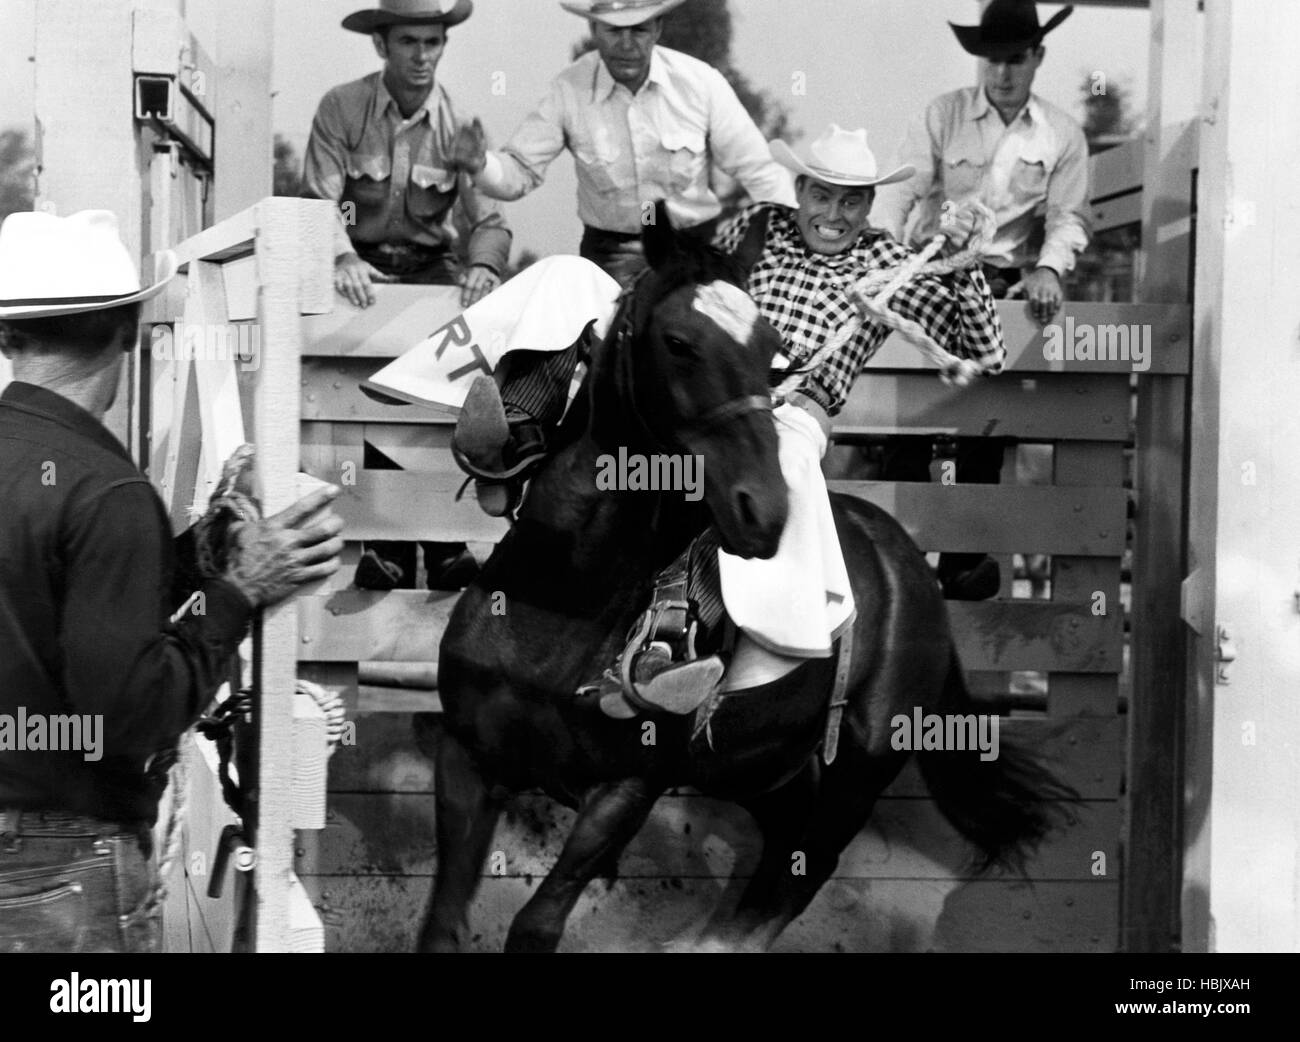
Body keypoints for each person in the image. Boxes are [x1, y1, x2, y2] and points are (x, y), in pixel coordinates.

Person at [0, 209, 346, 952]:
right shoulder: (105, 492)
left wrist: (192, 554)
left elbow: (44, 595)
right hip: (63, 868)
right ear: (128, 328)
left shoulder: (65, 481)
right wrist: (240, 591)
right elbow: (130, 714)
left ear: (6, 335)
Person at [446, 0, 795, 514]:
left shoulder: (699, 84)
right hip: (606, 255)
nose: (626, 44)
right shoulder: (570, 87)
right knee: (563, 303)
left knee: (737, 359)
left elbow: (760, 171)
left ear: (657, 26)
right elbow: (518, 172)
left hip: (687, 259)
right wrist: (480, 165)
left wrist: (780, 252)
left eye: (638, 29)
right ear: (593, 28)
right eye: (613, 31)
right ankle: (516, 447)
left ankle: (747, 469)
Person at [871, 0, 1090, 599]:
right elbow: (901, 190)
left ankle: (965, 566)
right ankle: (899, 562)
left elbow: (1067, 218)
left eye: (1015, 58)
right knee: (908, 423)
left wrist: (1048, 266)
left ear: (1037, 58)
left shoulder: (1061, 134)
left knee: (984, 429)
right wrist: (882, 258)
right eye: (991, 59)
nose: (1002, 72)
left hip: (1001, 287)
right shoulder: (942, 115)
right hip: (930, 276)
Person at [302, 0, 511, 590]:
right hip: (357, 270)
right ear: (381, 46)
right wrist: (341, 256)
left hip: (431, 270)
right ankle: (384, 544)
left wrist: (482, 267)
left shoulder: (460, 122)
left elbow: (492, 218)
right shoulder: (341, 107)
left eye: (432, 42)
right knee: (357, 396)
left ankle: (444, 546)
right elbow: (319, 201)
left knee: (449, 396)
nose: (422, 57)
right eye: (408, 43)